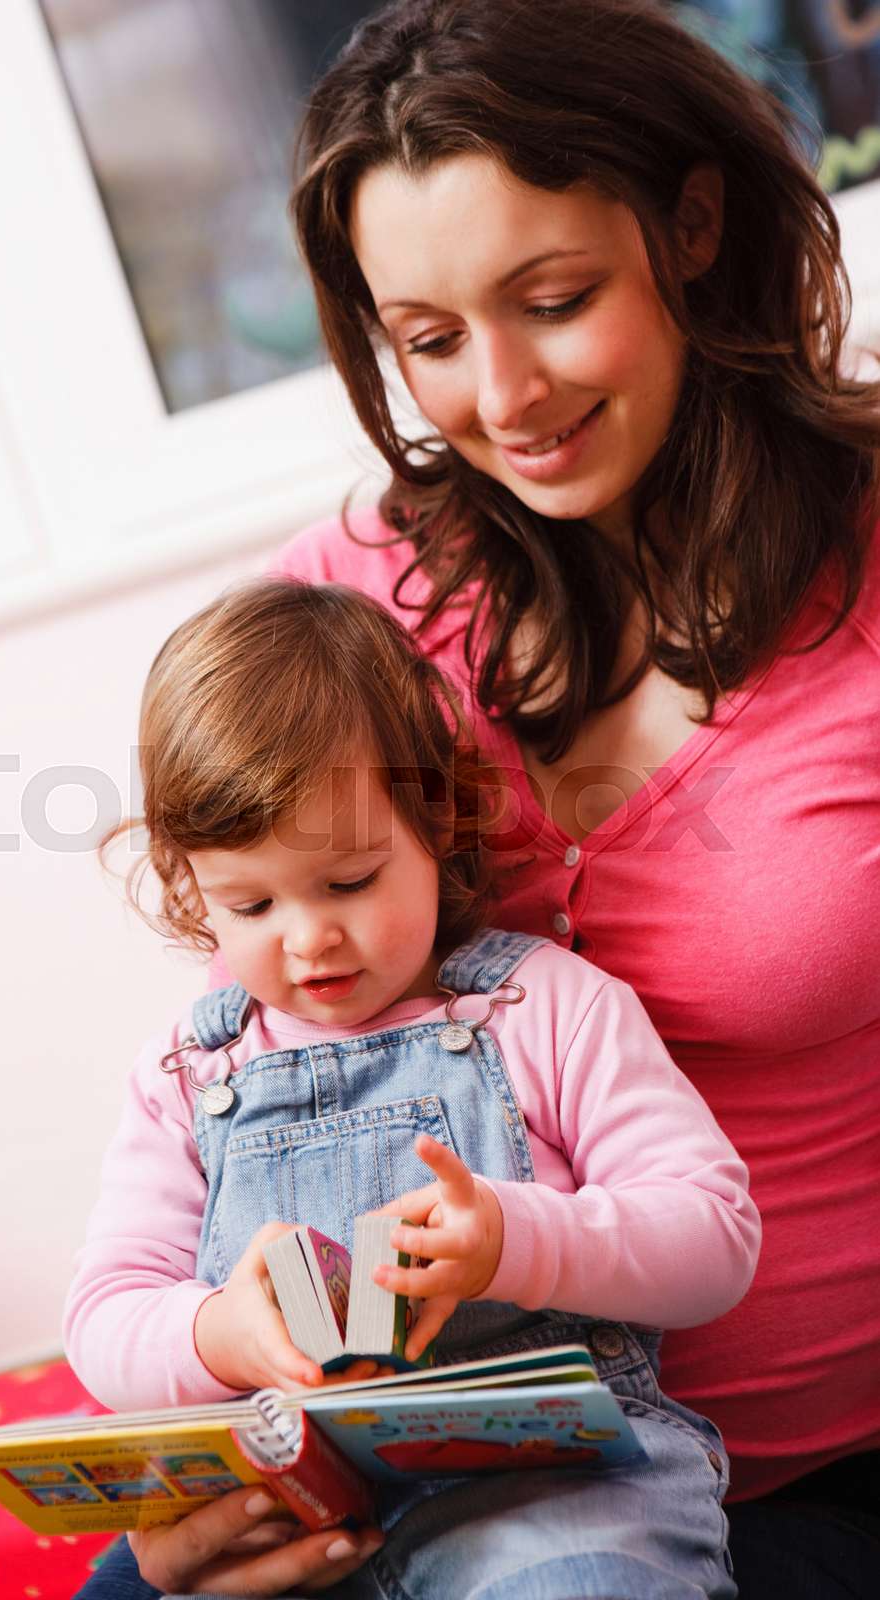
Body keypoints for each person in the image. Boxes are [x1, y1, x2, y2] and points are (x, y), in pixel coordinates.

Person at [71, 0, 880, 1593]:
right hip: (402, 1458)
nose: (500, 396)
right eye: (429, 340)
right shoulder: (346, 609)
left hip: (802, 1470)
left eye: (554, 300)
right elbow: (265, 1057)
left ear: (693, 229)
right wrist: (219, 1466)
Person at [66, 576, 760, 1600]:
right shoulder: (191, 1070)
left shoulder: (545, 1005)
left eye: (349, 880)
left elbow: (714, 1238)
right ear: (185, 883)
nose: (309, 939)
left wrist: (513, 1241)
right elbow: (104, 1315)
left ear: (436, 818)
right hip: (310, 1514)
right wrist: (220, 1332)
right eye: (249, 902)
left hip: (550, 1497)